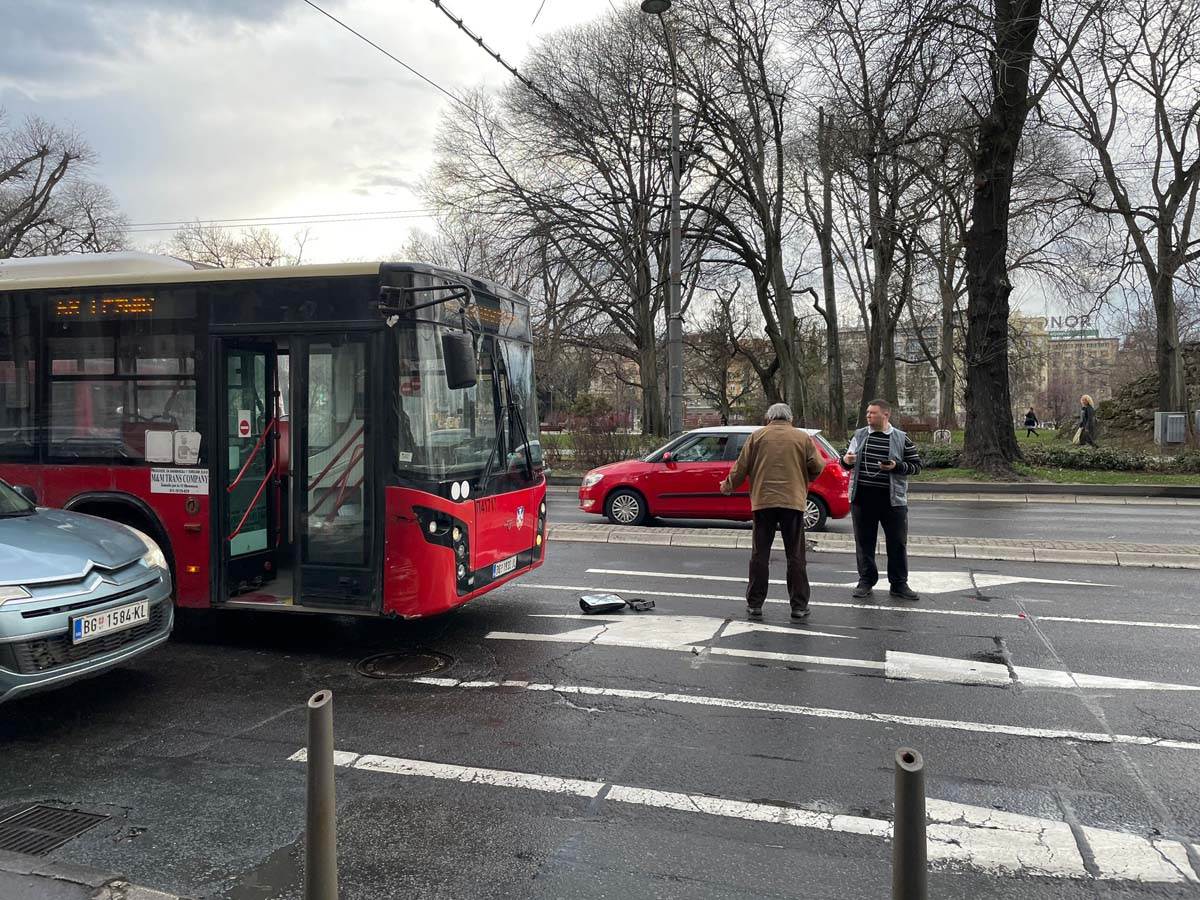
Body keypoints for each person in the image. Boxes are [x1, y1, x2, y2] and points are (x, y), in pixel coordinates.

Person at [720, 403, 826, 620]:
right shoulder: (802, 438)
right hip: (792, 501)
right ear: (790, 418)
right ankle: (799, 606)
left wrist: (728, 486)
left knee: (760, 554)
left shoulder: (757, 437)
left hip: (763, 501)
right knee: (795, 555)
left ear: (769, 418)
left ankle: (755, 604)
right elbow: (818, 466)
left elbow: (741, 467)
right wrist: (804, 479)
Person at [842, 399, 922, 602]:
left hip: (892, 501)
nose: (868, 415)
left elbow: (916, 466)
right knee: (864, 543)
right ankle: (866, 581)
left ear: (885, 415)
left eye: (872, 412)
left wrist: (896, 466)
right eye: (867, 412)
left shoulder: (901, 438)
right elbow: (845, 462)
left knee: (897, 543)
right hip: (862, 498)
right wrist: (846, 461)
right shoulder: (859, 435)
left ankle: (899, 584)